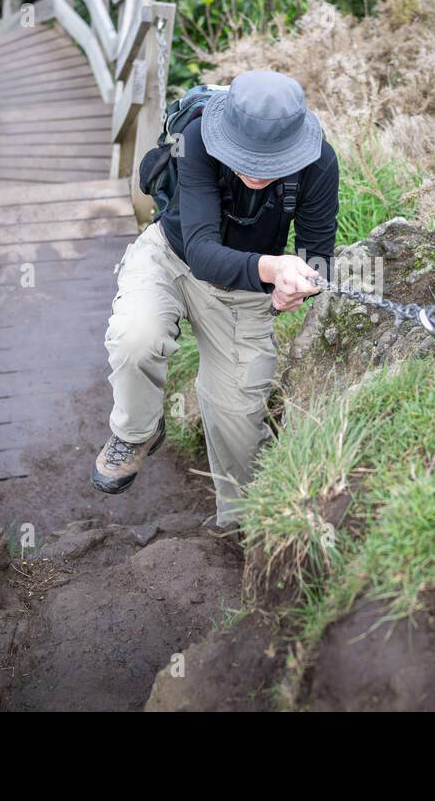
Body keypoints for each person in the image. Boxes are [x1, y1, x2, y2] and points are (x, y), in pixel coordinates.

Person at [93, 70, 339, 534]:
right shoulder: (197, 138)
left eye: (270, 161)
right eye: (245, 157)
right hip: (172, 254)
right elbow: (203, 251)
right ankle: (136, 433)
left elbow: (317, 256)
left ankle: (244, 528)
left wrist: (299, 285)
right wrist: (273, 269)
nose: (254, 169)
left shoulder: (319, 162)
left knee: (239, 422)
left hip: (243, 289)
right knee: (135, 336)